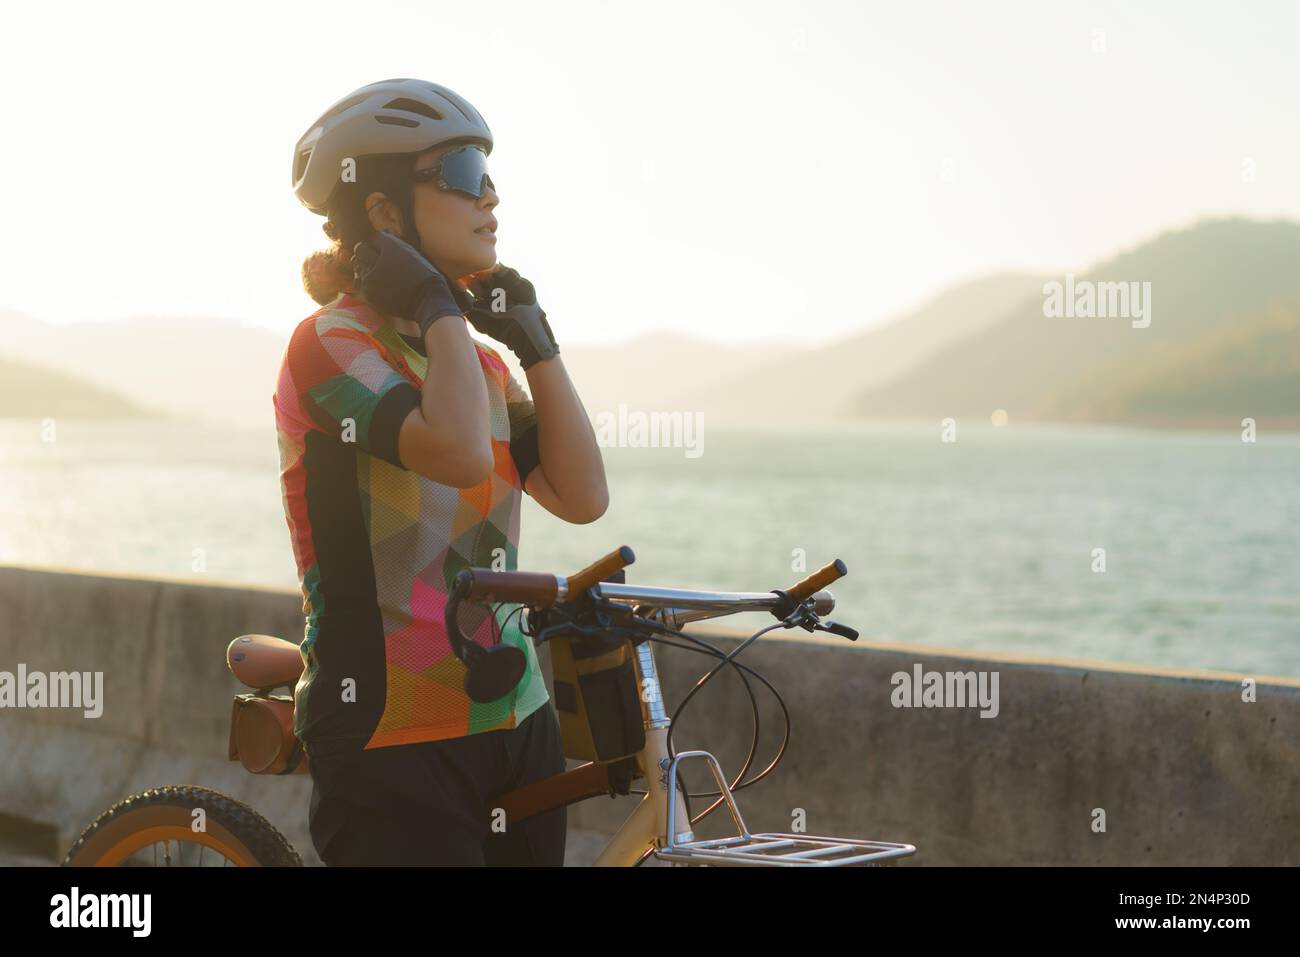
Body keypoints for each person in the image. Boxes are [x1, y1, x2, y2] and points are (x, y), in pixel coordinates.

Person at [275, 78, 609, 865]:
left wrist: (537, 344)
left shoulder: (484, 366)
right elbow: (457, 454)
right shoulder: (328, 342)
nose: (490, 195)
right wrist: (438, 304)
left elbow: (583, 495)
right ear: (386, 212)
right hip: (391, 728)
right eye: (462, 171)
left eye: (489, 173)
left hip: (515, 716)